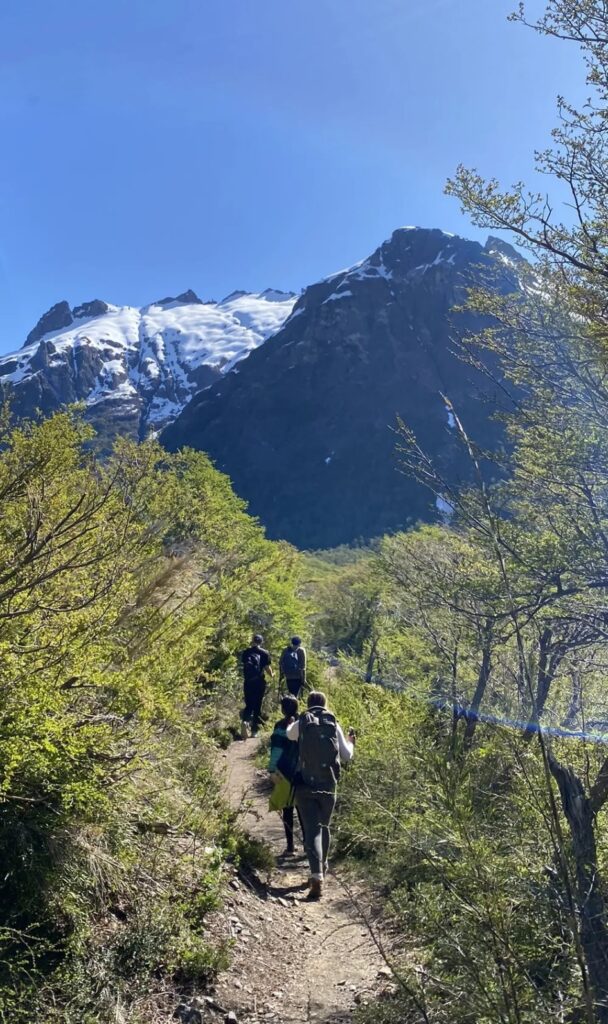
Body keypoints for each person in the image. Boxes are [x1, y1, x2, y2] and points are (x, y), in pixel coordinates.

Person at [287, 690, 355, 900]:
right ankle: (322, 869)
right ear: (325, 704)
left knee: (312, 829)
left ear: (307, 704)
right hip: (329, 784)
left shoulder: (303, 721)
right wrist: (351, 741)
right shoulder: (333, 722)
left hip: (305, 783)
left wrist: (293, 720)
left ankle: (316, 875)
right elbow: (347, 755)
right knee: (324, 828)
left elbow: (290, 734)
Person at [268, 694, 304, 856]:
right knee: (303, 810)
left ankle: (290, 847)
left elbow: (276, 750)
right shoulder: (304, 723)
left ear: (283, 709)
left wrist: (271, 770)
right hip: (302, 772)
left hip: (284, 772)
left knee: (287, 809)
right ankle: (308, 845)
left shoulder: (280, 726)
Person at [240, 634, 272, 739]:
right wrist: (272, 675)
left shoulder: (246, 652)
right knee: (258, 705)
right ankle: (254, 730)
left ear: (252, 641)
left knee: (249, 704)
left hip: (248, 682)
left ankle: (245, 721)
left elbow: (244, 665)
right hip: (259, 682)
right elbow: (267, 668)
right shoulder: (264, 653)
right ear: (261, 642)